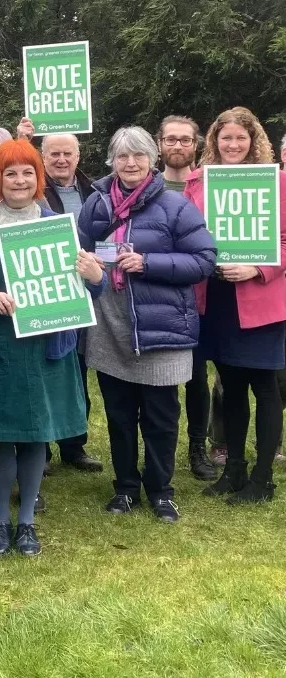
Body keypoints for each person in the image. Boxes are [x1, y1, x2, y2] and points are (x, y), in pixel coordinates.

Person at [0, 139, 103, 558]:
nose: (19, 180)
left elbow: (90, 292)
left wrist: (95, 276)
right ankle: (0, 522)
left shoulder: (59, 224)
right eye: (10, 172)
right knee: (0, 436)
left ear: (38, 178)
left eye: (26, 172)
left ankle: (27, 525)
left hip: (44, 345)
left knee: (36, 434)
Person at [79, 126, 216, 522]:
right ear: (112, 161)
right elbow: (81, 251)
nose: (131, 163)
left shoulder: (176, 206)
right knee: (120, 416)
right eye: (123, 156)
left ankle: (160, 490)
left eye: (139, 155)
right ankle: (124, 488)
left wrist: (148, 263)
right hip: (110, 323)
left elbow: (204, 261)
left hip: (160, 327)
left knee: (160, 416)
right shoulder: (98, 203)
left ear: (152, 159)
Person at [184, 107, 286, 503]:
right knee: (232, 387)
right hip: (218, 297)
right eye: (225, 138)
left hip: (259, 295)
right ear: (214, 141)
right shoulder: (200, 183)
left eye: (240, 138)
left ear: (253, 140)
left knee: (264, 386)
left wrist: (258, 268)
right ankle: (234, 469)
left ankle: (263, 479)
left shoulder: (276, 183)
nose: (233, 145)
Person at [16, 120, 102, 473]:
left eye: (68, 153)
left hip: (82, 286)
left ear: (78, 156)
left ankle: (73, 443)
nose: (62, 159)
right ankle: (42, 448)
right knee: (45, 367)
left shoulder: (94, 191)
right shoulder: (35, 189)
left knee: (76, 369)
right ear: (43, 156)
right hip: (45, 287)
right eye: (54, 153)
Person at [153, 115, 221, 481]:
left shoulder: (211, 186)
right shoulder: (146, 187)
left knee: (195, 376)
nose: (177, 146)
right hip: (156, 298)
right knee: (158, 382)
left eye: (185, 140)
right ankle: (156, 448)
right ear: (159, 144)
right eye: (170, 140)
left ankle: (197, 446)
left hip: (199, 297)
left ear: (195, 145)